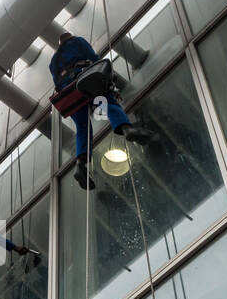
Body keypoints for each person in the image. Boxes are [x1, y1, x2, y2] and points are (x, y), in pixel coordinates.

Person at [49, 31, 154, 189]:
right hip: (83, 79)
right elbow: (94, 59)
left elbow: (56, 81)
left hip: (69, 94)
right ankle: (127, 129)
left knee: (83, 128)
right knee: (107, 103)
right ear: (69, 37)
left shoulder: (53, 61)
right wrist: (109, 79)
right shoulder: (77, 41)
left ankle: (81, 165)